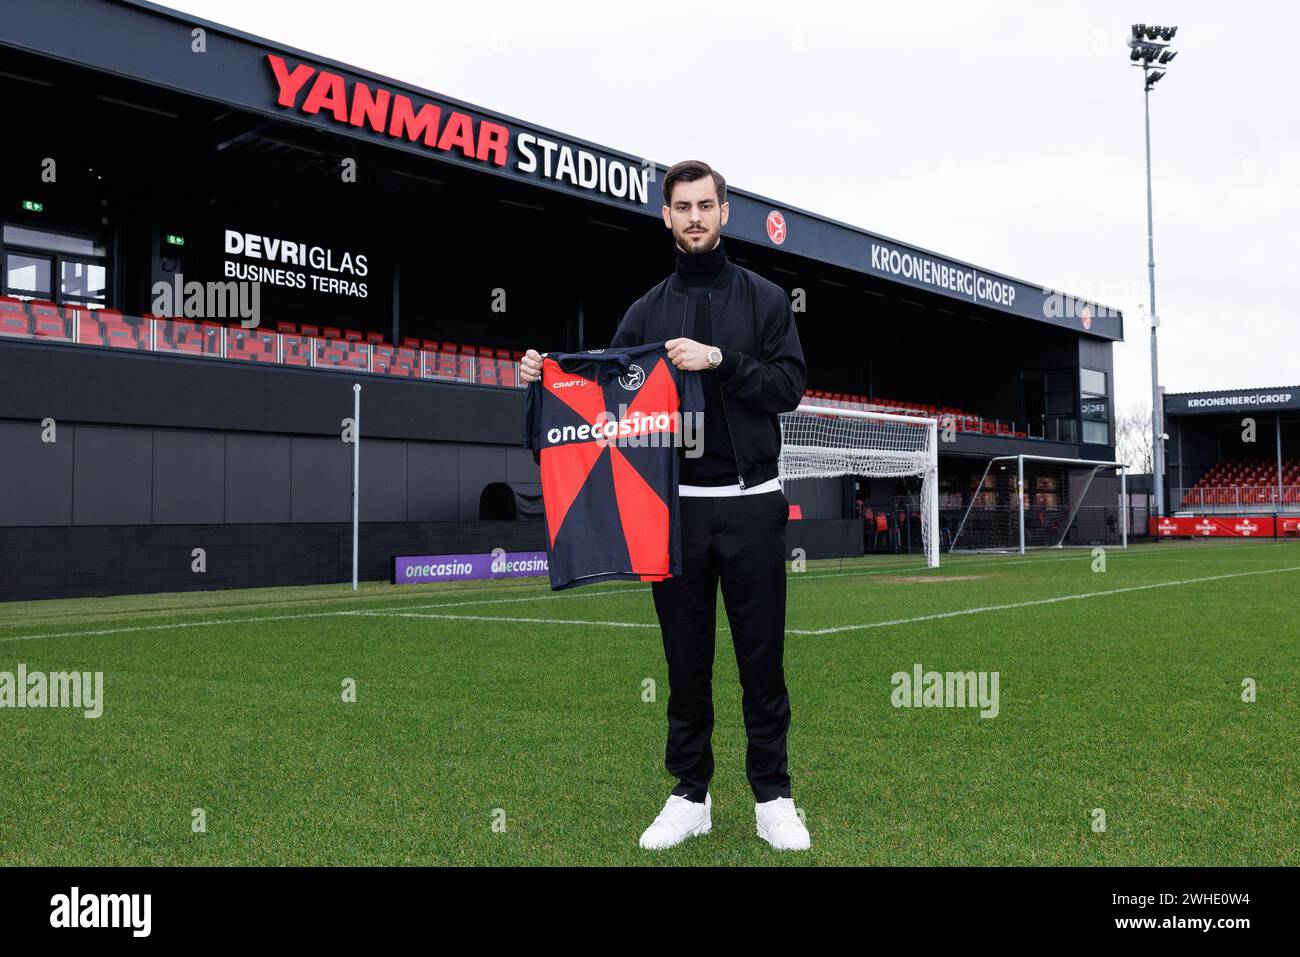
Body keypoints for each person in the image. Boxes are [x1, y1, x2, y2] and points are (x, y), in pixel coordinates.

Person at [521, 160, 809, 851]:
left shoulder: (767, 299)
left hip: (750, 502)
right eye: (682, 207)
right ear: (666, 217)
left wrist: (720, 361)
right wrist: (542, 379)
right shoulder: (645, 310)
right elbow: (598, 396)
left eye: (705, 205)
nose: (695, 217)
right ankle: (690, 793)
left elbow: (789, 384)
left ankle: (773, 794)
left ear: (725, 211)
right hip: (672, 510)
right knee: (686, 662)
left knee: (760, 660)